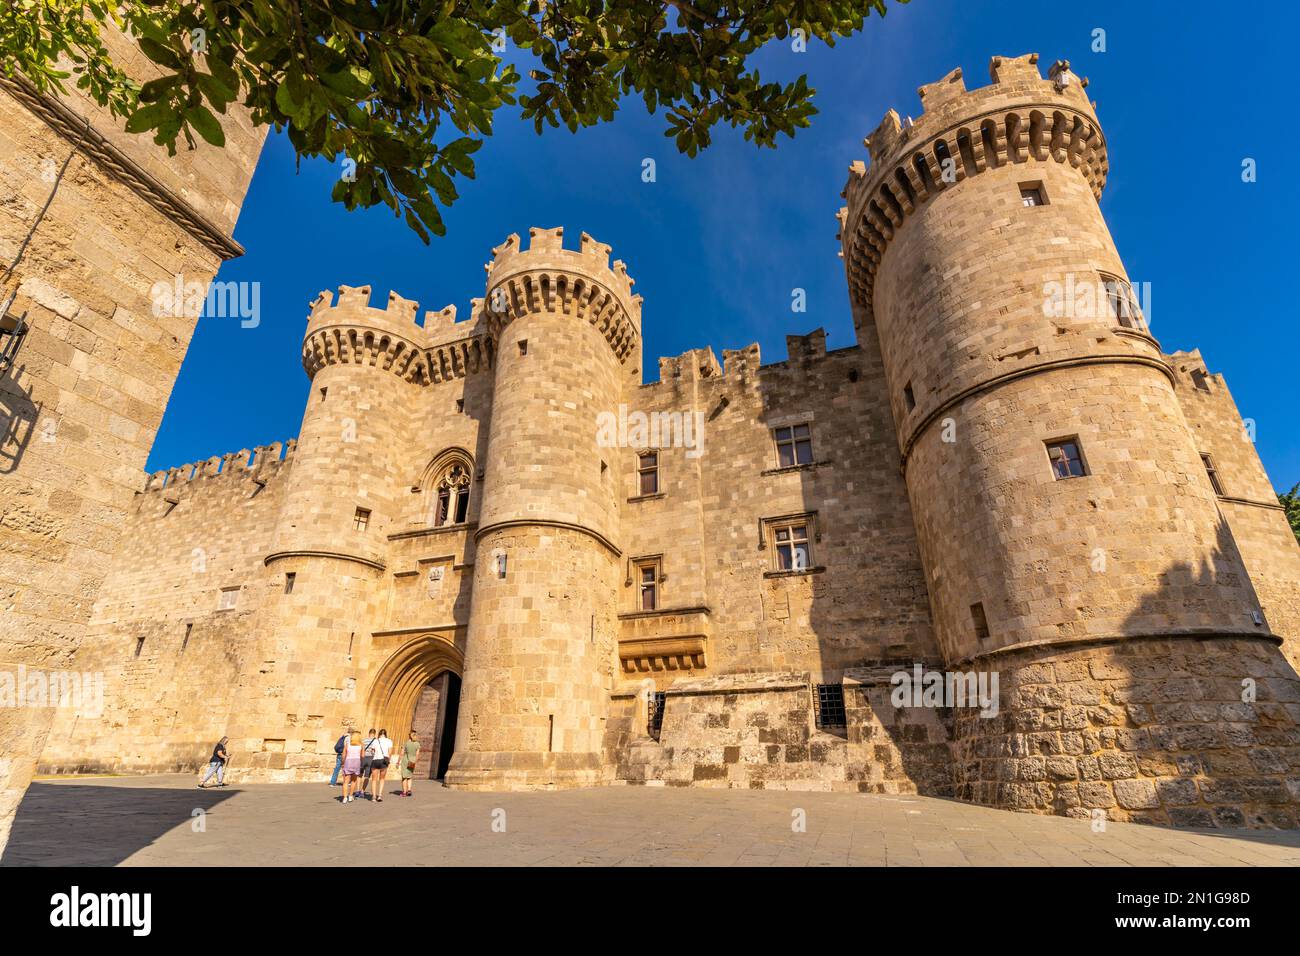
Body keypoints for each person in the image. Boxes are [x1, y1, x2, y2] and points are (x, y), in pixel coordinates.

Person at [369, 728, 393, 802]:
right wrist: (388, 761)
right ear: (385, 734)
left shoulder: (375, 741)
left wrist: (375, 753)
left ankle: (373, 797)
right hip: (384, 761)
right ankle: (379, 796)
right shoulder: (389, 741)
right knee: (382, 779)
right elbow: (390, 753)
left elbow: (372, 751)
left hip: (375, 760)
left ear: (379, 734)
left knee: (374, 779)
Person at [340, 731, 364, 803]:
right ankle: (350, 796)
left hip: (348, 761)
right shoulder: (361, 745)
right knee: (354, 780)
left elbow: (344, 755)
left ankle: (344, 798)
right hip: (356, 762)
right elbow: (362, 756)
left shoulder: (347, 744)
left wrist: (343, 763)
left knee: (346, 781)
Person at [398, 730, 420, 797]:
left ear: (409, 736)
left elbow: (401, 753)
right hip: (412, 761)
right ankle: (409, 790)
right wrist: (415, 761)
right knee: (409, 777)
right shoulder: (417, 744)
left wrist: (398, 761)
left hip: (405, 761)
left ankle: (404, 792)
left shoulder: (406, 743)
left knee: (404, 777)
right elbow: (417, 755)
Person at [359, 728, 377, 797]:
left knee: (359, 775)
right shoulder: (375, 741)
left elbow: (361, 749)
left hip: (363, 758)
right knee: (367, 776)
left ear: (369, 733)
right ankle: (362, 791)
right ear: (374, 734)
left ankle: (357, 790)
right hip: (371, 759)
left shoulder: (364, 740)